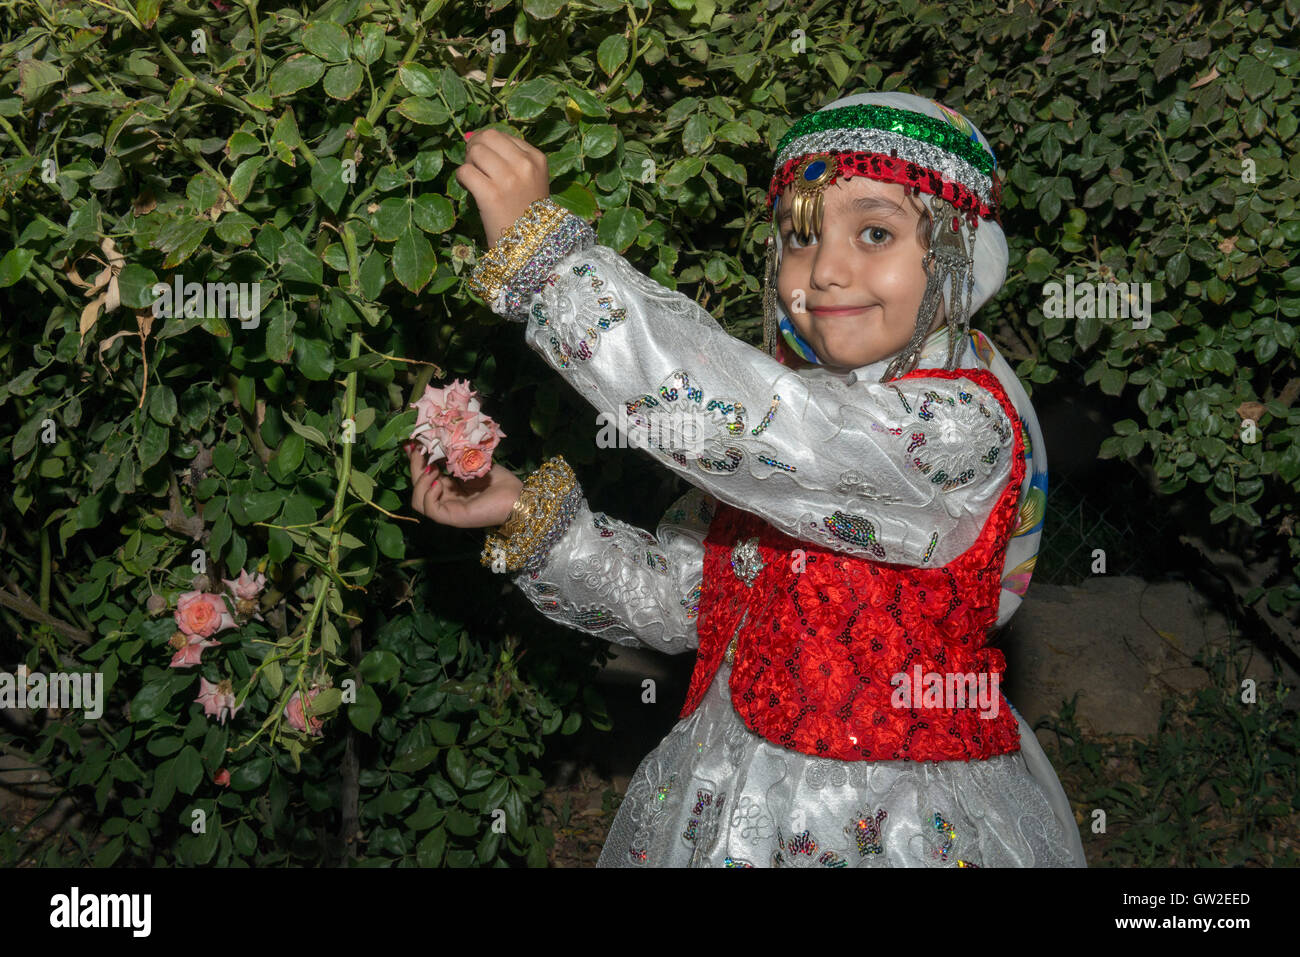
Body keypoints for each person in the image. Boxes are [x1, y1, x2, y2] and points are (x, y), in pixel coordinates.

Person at [408, 90, 1086, 868]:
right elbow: (683, 602)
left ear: (962, 253)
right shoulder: (792, 447)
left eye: (875, 232)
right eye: (801, 238)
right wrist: (521, 510)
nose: (827, 271)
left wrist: (552, 267)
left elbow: (758, 426)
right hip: (724, 799)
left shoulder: (958, 429)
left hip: (896, 819)